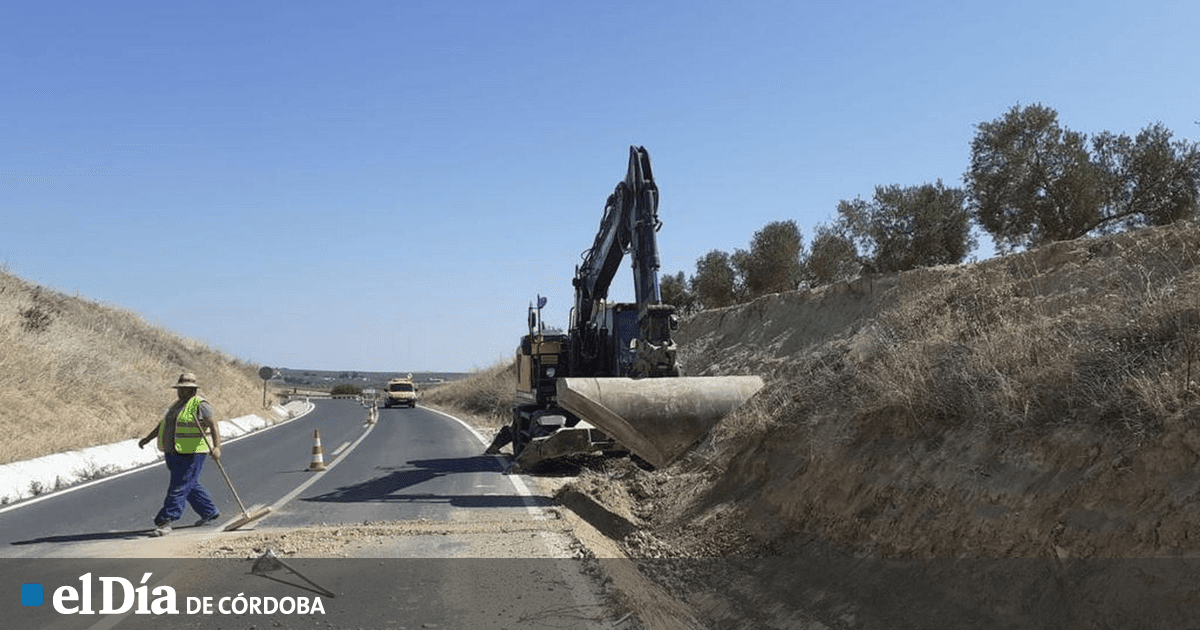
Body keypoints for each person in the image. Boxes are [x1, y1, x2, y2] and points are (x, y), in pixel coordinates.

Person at [138, 372, 222, 536]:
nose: (182, 392)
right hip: (173, 451)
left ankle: (166, 520)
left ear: (193, 390)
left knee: (179, 486)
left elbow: (214, 426)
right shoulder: (176, 405)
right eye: (180, 389)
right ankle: (209, 511)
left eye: (186, 389)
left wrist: (217, 448)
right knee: (189, 484)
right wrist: (148, 438)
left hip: (193, 453)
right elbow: (163, 425)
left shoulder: (201, 405)